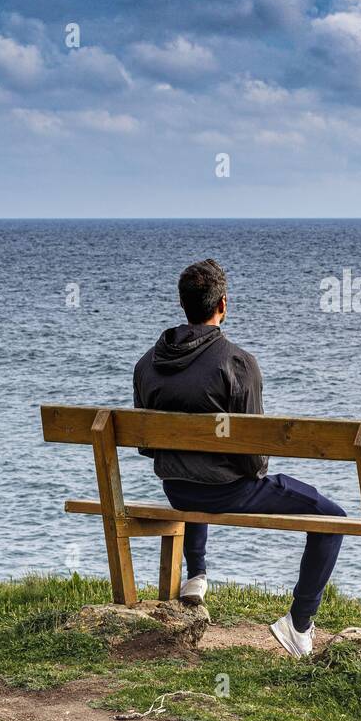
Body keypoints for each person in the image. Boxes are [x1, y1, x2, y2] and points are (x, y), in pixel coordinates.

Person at [132, 258, 345, 657]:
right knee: (333, 518)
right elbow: (252, 455)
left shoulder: (147, 364)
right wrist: (252, 472)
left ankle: (196, 575)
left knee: (198, 472)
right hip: (225, 492)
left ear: (182, 304)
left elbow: (146, 446)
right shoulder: (237, 363)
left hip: (177, 490)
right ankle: (299, 623)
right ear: (223, 304)